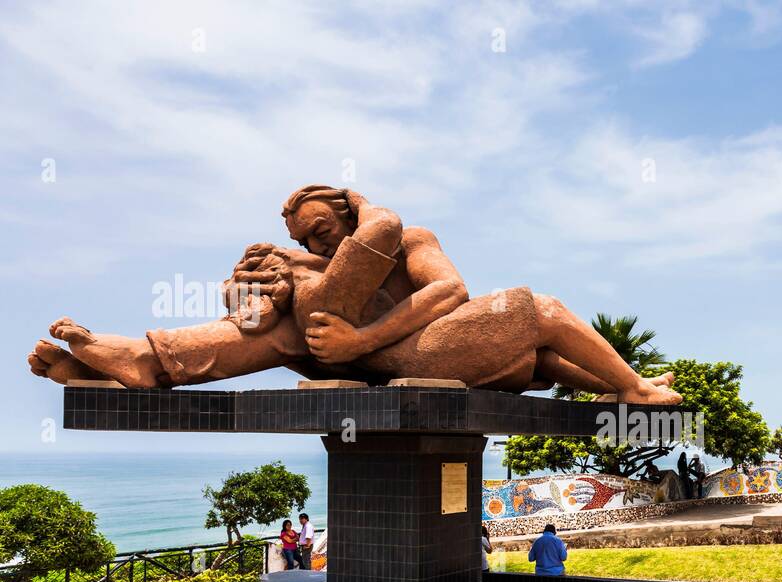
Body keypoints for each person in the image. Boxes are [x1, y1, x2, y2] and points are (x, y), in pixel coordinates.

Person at [30, 185, 682, 405]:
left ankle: (628, 386)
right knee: (278, 330)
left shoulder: (402, 236)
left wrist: (362, 339)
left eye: (324, 231)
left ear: (347, 214)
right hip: (377, 360)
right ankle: (138, 364)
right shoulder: (318, 276)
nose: (319, 246)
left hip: (427, 346)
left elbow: (451, 290)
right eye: (306, 238)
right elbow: (246, 315)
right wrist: (261, 280)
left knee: (537, 322)